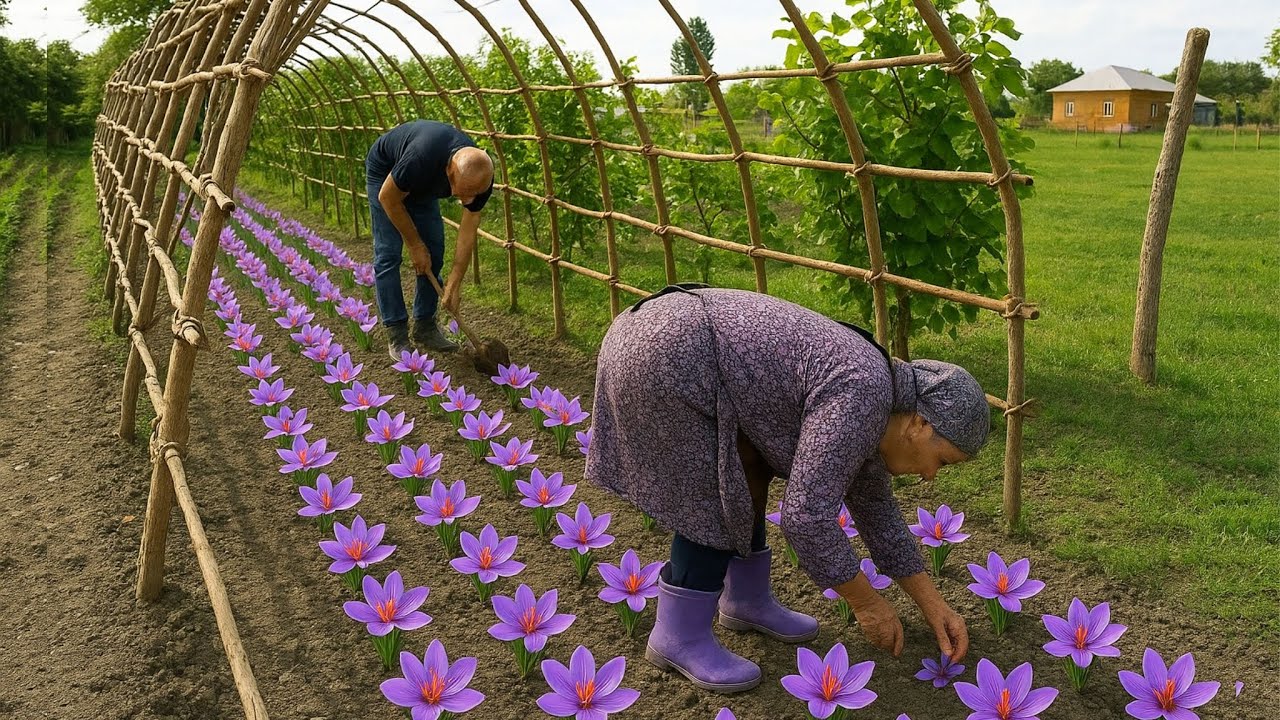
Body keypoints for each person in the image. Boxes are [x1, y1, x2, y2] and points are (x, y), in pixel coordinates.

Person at [585, 285, 988, 693]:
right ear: (920, 424)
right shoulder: (864, 393)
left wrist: (935, 607)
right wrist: (867, 603)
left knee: (746, 469)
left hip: (668, 339)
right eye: (943, 460)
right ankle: (677, 637)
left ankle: (746, 600)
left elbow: (877, 513)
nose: (932, 476)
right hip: (664, 355)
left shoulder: (879, 403)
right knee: (712, 493)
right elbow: (805, 516)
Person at [365, 120, 494, 359]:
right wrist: (414, 245)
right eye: (462, 192)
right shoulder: (421, 157)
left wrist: (454, 283)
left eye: (472, 194)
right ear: (449, 171)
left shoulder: (480, 176)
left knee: (433, 251)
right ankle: (397, 333)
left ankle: (425, 326)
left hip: (423, 185)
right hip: (386, 176)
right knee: (388, 253)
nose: (467, 201)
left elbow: (468, 229)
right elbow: (389, 199)